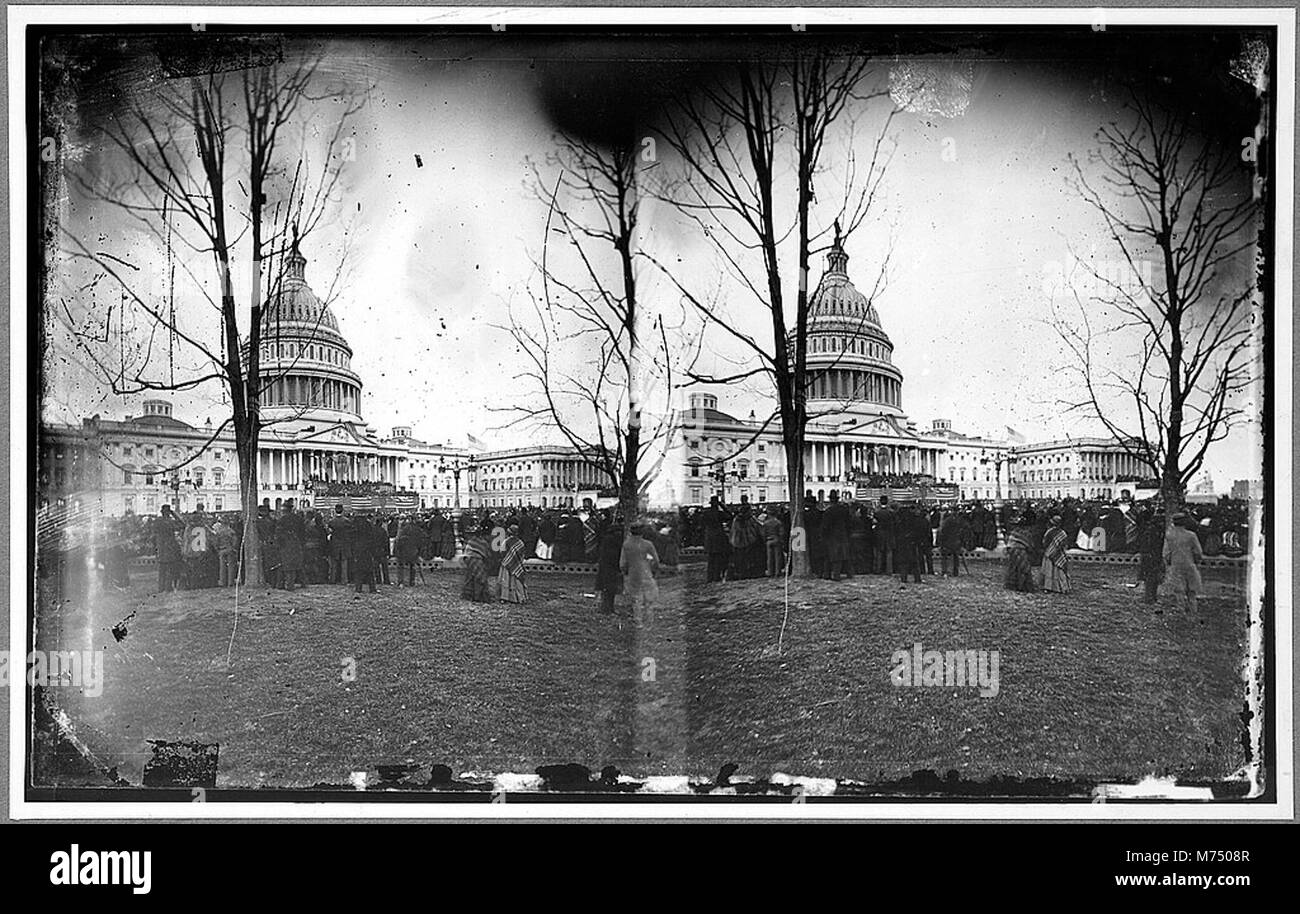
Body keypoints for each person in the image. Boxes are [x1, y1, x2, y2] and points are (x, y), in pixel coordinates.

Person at [1163, 513, 1204, 613]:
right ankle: (1193, 609)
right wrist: (1196, 560)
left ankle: (1181, 609)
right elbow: (1198, 552)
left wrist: (1169, 562)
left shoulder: (1169, 535)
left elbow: (1166, 553)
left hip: (1176, 564)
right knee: (1192, 589)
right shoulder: (1191, 535)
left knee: (1178, 589)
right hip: (1189, 564)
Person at [620, 523, 661, 620]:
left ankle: (638, 621)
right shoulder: (648, 544)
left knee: (636, 599)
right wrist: (654, 570)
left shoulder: (626, 545)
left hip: (633, 574)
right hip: (646, 573)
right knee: (649, 599)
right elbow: (656, 561)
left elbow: (622, 563)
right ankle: (649, 619)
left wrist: (626, 571)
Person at [1137, 507, 1167, 605]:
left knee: (1152, 578)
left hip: (1150, 556)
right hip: (1151, 556)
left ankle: (1151, 597)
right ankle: (1150, 598)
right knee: (1151, 578)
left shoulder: (1150, 530)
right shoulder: (1153, 532)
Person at [821, 491, 852, 581]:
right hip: (843, 534)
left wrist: (823, 535)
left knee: (831, 555)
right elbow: (848, 523)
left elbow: (825, 526)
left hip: (831, 536)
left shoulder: (828, 511)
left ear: (830, 500)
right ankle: (847, 573)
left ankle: (829, 574)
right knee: (844, 555)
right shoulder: (844, 510)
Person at [461, 519, 494, 603]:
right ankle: (479, 596)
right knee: (480, 578)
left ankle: (470, 595)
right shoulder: (484, 542)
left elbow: (466, 553)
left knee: (470, 577)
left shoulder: (471, 541)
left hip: (470, 561)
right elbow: (487, 554)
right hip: (478, 561)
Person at [277, 499, 306, 591]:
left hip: (286, 543)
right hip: (296, 543)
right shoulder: (298, 518)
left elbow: (278, 533)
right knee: (297, 564)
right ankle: (303, 582)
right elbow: (302, 532)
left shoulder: (282, 519)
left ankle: (289, 584)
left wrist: (280, 543)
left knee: (287, 564)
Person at [1004, 511, 1038, 592]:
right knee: (1024, 568)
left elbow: (1009, 543)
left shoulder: (1014, 532)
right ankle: (1024, 586)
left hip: (1014, 551)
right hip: (1022, 552)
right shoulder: (1027, 533)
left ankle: (1014, 585)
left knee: (1014, 568)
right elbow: (1030, 545)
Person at [595, 523, 624, 614]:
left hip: (607, 568)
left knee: (608, 590)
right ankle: (607, 609)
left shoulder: (608, 540)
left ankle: (607, 608)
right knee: (609, 590)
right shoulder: (613, 541)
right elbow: (613, 556)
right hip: (610, 568)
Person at [155, 504, 184, 593]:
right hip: (170, 546)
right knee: (170, 569)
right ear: (168, 513)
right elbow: (182, 524)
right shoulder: (171, 522)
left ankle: (161, 588)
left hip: (161, 546)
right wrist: (174, 514)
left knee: (162, 569)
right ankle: (168, 587)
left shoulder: (158, 521)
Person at [700, 496, 730, 583]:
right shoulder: (719, 513)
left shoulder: (706, 513)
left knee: (711, 558)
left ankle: (710, 577)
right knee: (718, 557)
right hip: (718, 535)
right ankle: (716, 576)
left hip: (709, 536)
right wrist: (723, 506)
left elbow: (702, 523)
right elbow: (730, 516)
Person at [1040, 514, 1071, 594]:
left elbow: (1044, 542)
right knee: (1059, 571)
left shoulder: (1048, 532)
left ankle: (1048, 587)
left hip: (1049, 554)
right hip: (1060, 554)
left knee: (1049, 571)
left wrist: (1049, 549)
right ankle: (1062, 587)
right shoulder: (1063, 533)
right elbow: (1065, 544)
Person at [498, 524, 528, 604]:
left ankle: (505, 597)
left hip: (506, 563)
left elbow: (501, 552)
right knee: (516, 580)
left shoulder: (505, 541)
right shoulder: (520, 542)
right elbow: (523, 553)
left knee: (506, 580)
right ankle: (519, 597)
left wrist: (505, 559)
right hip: (517, 563)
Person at [350, 513, 378, 594]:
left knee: (359, 571)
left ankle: (358, 588)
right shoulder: (368, 527)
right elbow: (372, 539)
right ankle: (372, 588)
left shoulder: (355, 528)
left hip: (358, 550)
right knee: (369, 571)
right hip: (367, 550)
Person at [395, 517, 425, 586]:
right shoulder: (417, 530)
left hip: (403, 551)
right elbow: (420, 541)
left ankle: (401, 582)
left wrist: (397, 551)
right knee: (412, 566)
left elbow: (398, 541)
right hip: (413, 551)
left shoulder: (403, 530)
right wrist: (418, 551)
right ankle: (412, 582)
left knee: (400, 567)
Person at [328, 505, 353, 585]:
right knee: (344, 563)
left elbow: (330, 532)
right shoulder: (347, 521)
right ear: (342, 511)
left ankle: (333, 579)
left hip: (335, 544)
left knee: (334, 564)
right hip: (344, 544)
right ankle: (344, 580)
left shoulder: (332, 521)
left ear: (335, 511)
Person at [937, 509, 965, 577]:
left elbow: (943, 532)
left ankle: (944, 571)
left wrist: (941, 543)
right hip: (956, 541)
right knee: (955, 557)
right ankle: (955, 572)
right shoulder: (959, 521)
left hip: (948, 542)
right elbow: (962, 532)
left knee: (945, 557)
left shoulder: (947, 521)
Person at [873, 496, 895, 575]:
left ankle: (878, 569)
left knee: (879, 552)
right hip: (889, 533)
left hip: (880, 533)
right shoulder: (891, 512)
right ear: (887, 502)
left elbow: (875, 523)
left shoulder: (877, 512)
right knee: (889, 553)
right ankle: (889, 570)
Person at [762, 508, 786, 577]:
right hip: (776, 539)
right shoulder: (778, 522)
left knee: (769, 558)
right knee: (777, 557)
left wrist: (765, 540)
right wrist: (782, 540)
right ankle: (777, 572)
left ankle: (770, 572)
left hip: (768, 540)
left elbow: (763, 533)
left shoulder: (765, 523)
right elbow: (782, 533)